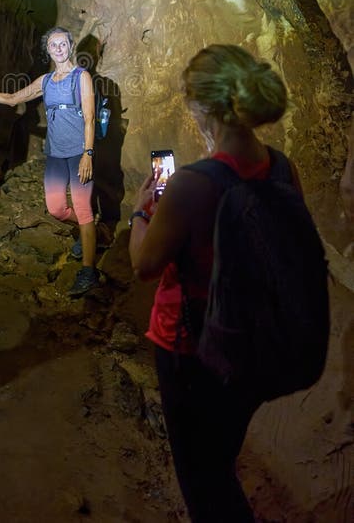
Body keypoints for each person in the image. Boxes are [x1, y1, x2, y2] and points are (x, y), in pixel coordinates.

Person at [128, 44, 295, 523]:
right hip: (254, 347)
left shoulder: (192, 185)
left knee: (205, 487)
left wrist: (143, 211)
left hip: (191, 349)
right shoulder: (283, 169)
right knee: (220, 461)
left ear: (201, 108)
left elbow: (144, 264)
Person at [0, 26, 99, 297]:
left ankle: (88, 271)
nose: (58, 48)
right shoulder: (45, 82)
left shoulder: (82, 77)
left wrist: (88, 153)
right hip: (56, 154)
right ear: (47, 50)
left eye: (63, 44)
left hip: (79, 153)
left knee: (83, 209)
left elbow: (90, 118)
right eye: (53, 45)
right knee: (57, 209)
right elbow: (13, 98)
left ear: (71, 46)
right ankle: (91, 232)